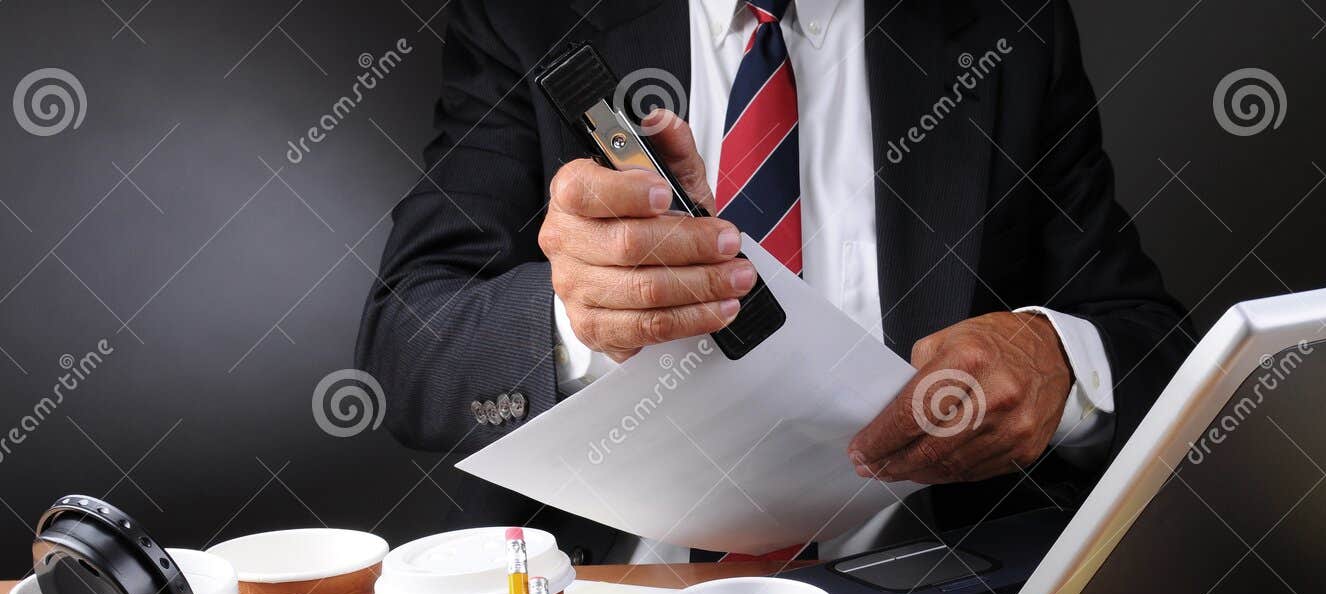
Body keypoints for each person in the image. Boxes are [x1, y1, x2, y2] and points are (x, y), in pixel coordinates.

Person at [358, 0, 1189, 563]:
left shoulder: (1009, 26)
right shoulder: (528, 17)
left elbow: (1149, 340)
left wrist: (1059, 363)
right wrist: (585, 317)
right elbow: (408, 346)